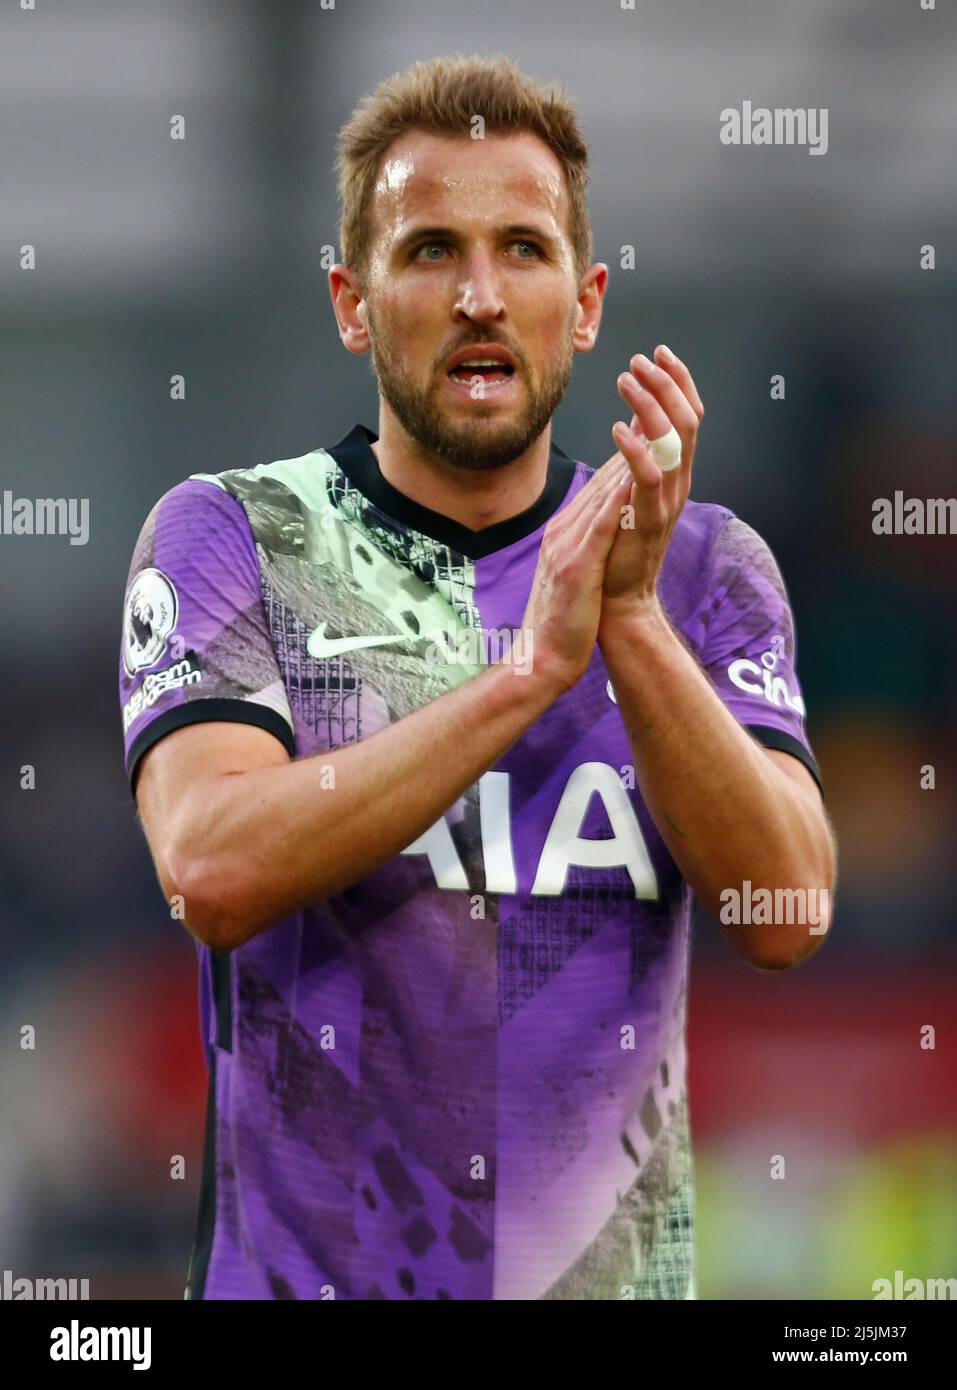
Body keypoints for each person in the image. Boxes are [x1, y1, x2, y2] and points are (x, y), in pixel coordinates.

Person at [118, 53, 835, 1301]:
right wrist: (525, 678)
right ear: (353, 301)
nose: (482, 297)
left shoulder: (707, 570)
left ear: (590, 298)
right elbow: (214, 871)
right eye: (431, 251)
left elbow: (789, 909)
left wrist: (630, 626)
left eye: (523, 249)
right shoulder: (234, 537)